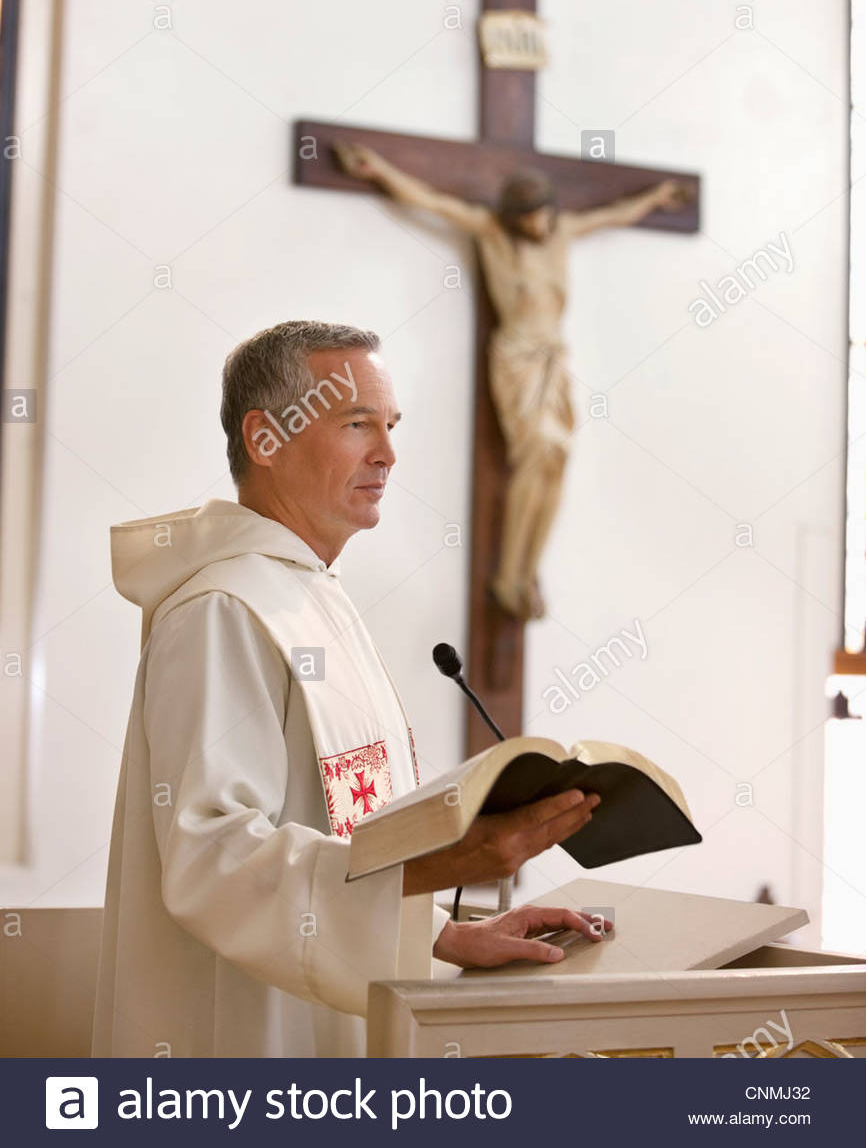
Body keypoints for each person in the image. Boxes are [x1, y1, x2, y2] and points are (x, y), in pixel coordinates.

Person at [92, 319, 605, 1058]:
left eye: (390, 425)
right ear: (265, 439)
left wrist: (445, 935)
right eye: (358, 423)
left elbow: (337, 829)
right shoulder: (225, 610)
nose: (389, 454)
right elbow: (213, 860)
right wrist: (447, 864)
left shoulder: (312, 598)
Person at [335, 143, 691, 619]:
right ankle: (507, 575)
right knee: (536, 450)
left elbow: (613, 215)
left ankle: (528, 572)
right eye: (526, 218)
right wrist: (378, 167)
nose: (535, 226)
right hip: (517, 359)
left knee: (558, 455)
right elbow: (430, 201)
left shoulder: (561, 232)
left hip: (553, 359)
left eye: (540, 216)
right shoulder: (491, 233)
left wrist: (656, 197)